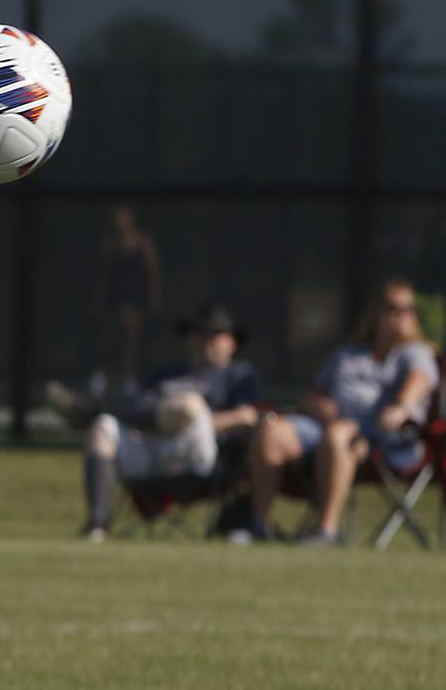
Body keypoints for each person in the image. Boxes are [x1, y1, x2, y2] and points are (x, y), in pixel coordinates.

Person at [239, 278, 438, 545]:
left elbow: (419, 381)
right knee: (271, 431)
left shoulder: (415, 352)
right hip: (325, 424)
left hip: (379, 433)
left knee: (338, 434)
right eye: (394, 308)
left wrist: (400, 407)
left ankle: (326, 530)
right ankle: (260, 526)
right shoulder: (348, 354)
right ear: (376, 312)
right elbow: (314, 394)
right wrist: (317, 405)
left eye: (409, 309)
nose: (403, 315)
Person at [47, 303, 261, 541]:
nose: (204, 340)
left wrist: (196, 419)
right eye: (199, 333)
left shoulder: (239, 374)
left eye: (214, 335)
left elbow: (247, 417)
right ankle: (97, 526)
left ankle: (86, 410)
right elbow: (135, 403)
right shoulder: (168, 373)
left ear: (231, 342)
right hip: (152, 447)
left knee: (189, 404)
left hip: (199, 455)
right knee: (103, 427)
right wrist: (159, 422)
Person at [91, 204, 162, 392]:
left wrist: (154, 298)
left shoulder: (143, 241)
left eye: (124, 216)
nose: (120, 221)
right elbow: (103, 274)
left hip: (135, 296)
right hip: (115, 295)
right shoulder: (110, 243)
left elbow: (152, 272)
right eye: (117, 217)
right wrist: (98, 298)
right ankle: (100, 375)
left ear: (131, 218)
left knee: (130, 337)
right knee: (108, 335)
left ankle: (129, 379)